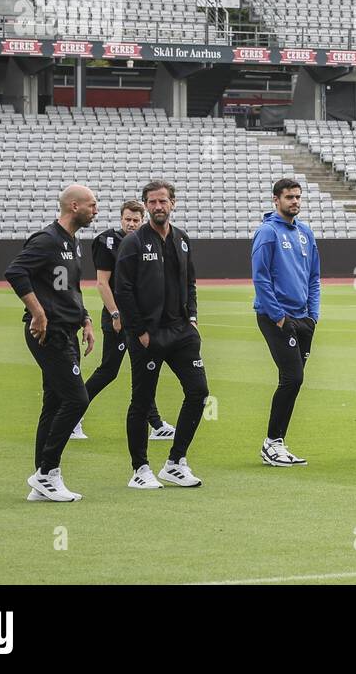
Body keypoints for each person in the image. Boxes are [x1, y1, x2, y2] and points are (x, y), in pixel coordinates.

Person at [3, 184, 97, 503]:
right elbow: (15, 272)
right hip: (49, 334)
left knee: (54, 403)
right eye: (91, 205)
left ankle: (42, 481)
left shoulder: (73, 241)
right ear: (74, 206)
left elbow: (71, 288)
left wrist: (85, 319)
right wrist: (38, 312)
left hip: (68, 330)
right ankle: (47, 473)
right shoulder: (46, 239)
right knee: (77, 399)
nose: (95, 210)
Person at [113, 180, 209, 489]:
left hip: (181, 332)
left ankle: (175, 462)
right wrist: (139, 331)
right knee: (142, 401)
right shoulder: (133, 243)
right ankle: (140, 469)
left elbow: (190, 282)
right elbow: (122, 290)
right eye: (152, 202)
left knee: (199, 392)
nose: (158, 206)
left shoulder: (182, 239)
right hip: (148, 336)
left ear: (172, 204)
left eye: (163, 201)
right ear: (146, 206)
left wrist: (192, 318)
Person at [72, 199, 174, 441]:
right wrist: (115, 313)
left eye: (136, 220)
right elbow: (102, 283)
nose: (131, 224)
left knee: (144, 370)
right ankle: (72, 413)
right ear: (121, 219)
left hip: (141, 319)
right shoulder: (108, 241)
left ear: (142, 220)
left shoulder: (148, 240)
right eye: (127, 219)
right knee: (109, 370)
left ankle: (156, 424)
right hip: (118, 318)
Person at [251, 178, 320, 467]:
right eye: (289, 197)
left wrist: (313, 315)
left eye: (298, 197)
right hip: (276, 317)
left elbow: (314, 277)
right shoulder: (267, 233)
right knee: (293, 378)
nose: (295, 202)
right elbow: (261, 278)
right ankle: (272, 443)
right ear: (276, 200)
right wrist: (279, 316)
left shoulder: (305, 232)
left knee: (291, 380)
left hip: (303, 318)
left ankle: (277, 443)